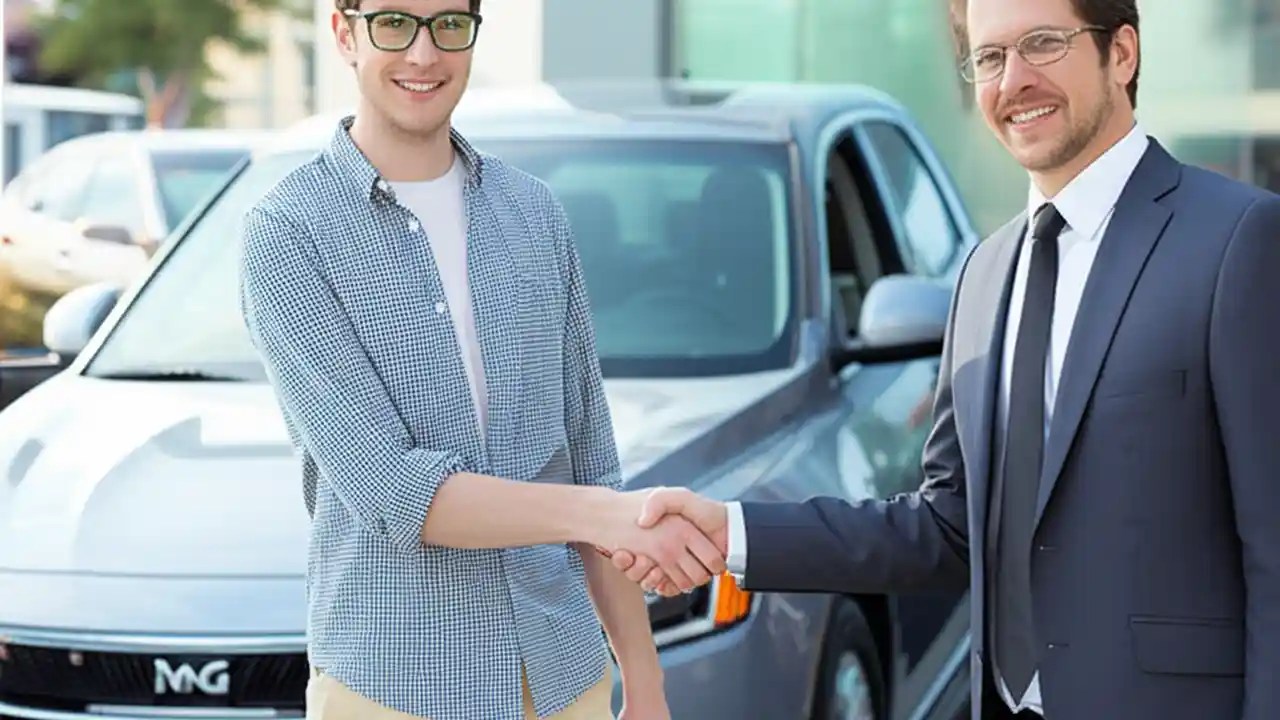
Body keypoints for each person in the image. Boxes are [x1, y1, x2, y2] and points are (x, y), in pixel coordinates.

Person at [611, 0, 1280, 718]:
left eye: (1043, 44)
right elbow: (945, 528)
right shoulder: (985, 272)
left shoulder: (1238, 242)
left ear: (1122, 53)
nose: (1013, 80)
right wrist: (731, 531)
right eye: (989, 57)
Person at [237, 1, 725, 719]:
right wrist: (604, 515)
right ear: (344, 34)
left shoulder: (535, 214)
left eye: (448, 26)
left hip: (566, 678)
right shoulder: (287, 235)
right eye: (394, 24)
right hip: (394, 688)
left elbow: (591, 457)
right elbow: (394, 492)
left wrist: (645, 684)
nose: (424, 55)